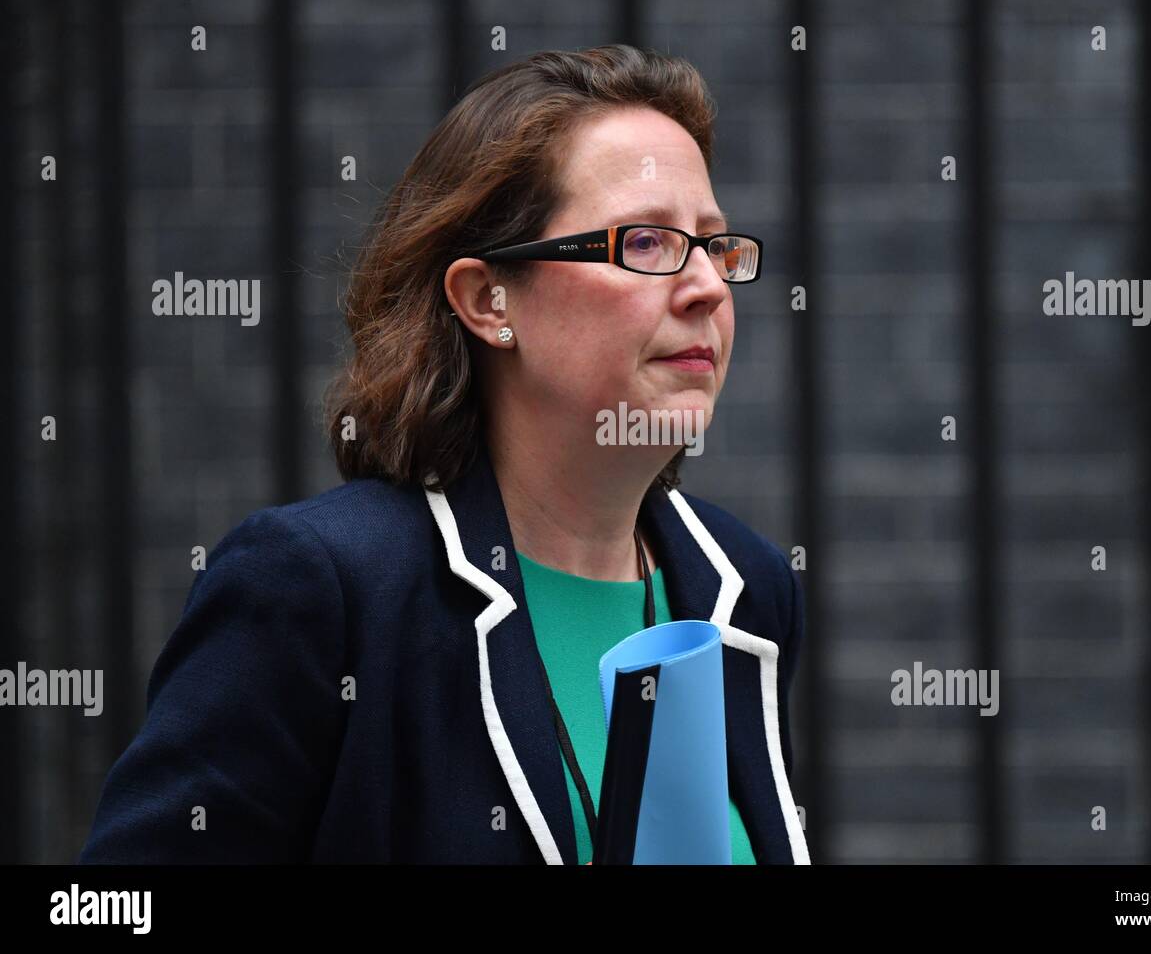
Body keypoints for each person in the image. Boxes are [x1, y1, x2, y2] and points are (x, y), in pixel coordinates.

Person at [78, 44, 809, 865]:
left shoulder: (742, 584)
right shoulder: (322, 588)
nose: (707, 285)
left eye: (715, 245)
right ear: (485, 299)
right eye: (644, 243)